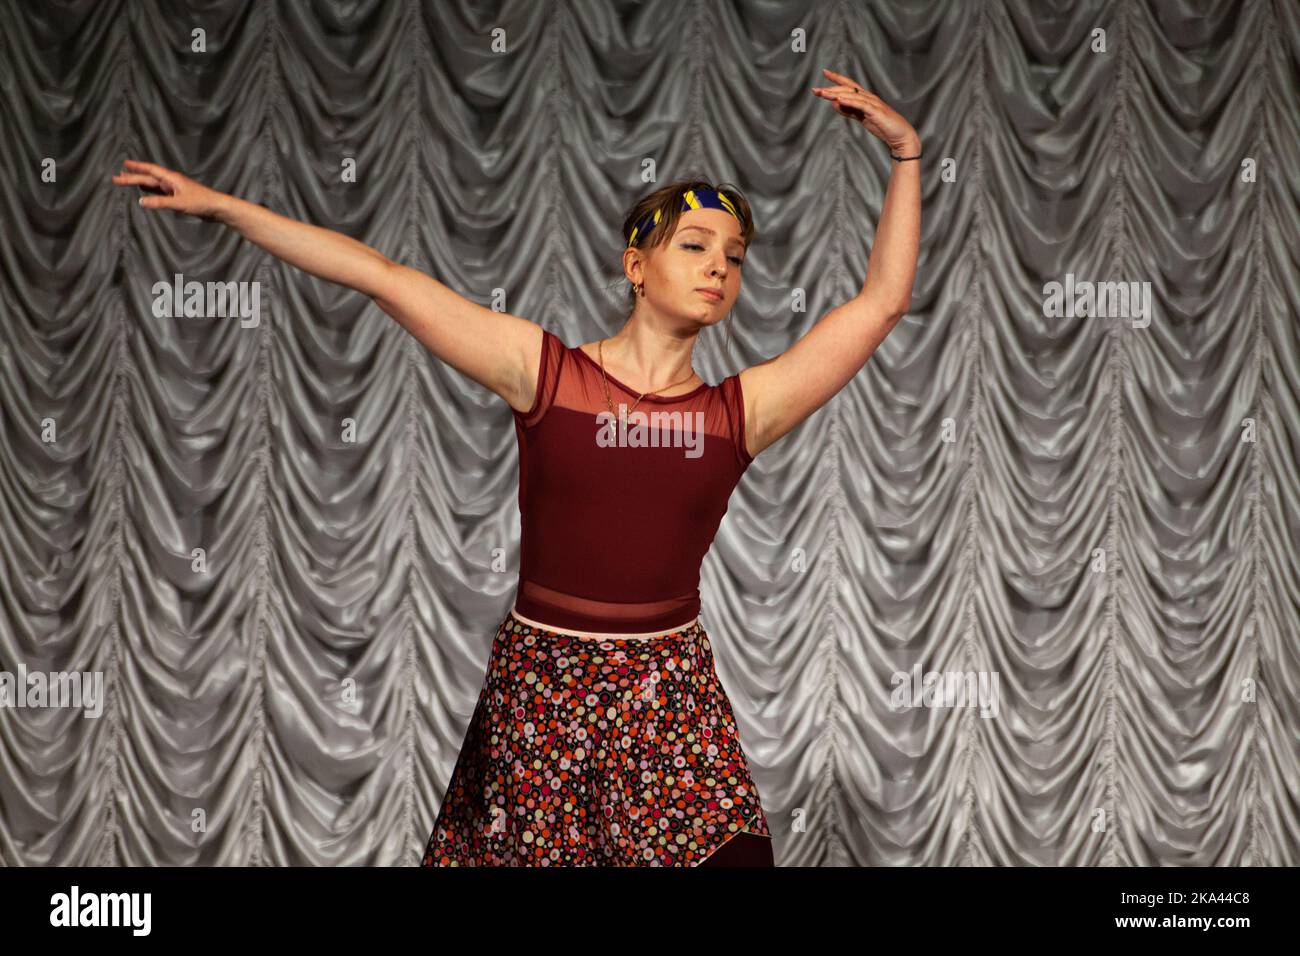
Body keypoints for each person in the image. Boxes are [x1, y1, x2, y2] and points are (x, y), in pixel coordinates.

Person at [111, 68, 920, 866]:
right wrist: (224, 207)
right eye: (696, 245)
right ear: (636, 265)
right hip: (542, 687)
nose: (720, 267)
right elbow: (382, 278)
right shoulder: (547, 373)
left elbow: (880, 303)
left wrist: (906, 157)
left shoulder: (739, 413)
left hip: (666, 692)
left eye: (736, 256)